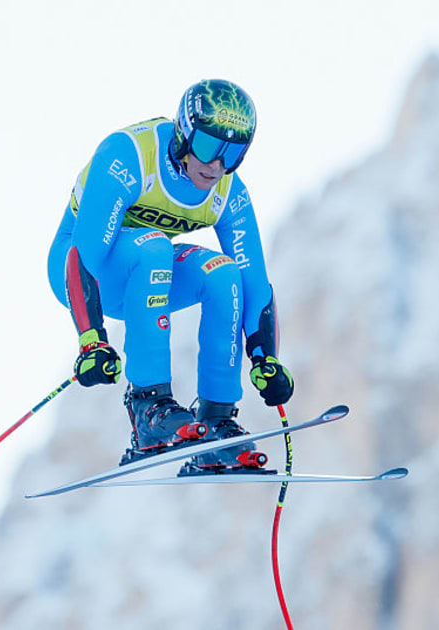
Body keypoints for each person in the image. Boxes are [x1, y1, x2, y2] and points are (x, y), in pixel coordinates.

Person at [46, 79, 294, 475]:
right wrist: (91, 339)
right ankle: (148, 407)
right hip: (83, 273)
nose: (216, 165)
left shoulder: (228, 190)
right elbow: (82, 256)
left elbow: (254, 282)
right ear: (183, 131)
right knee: (155, 245)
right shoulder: (129, 156)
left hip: (147, 276)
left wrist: (266, 358)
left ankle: (216, 422)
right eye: (209, 146)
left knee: (224, 275)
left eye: (233, 153)